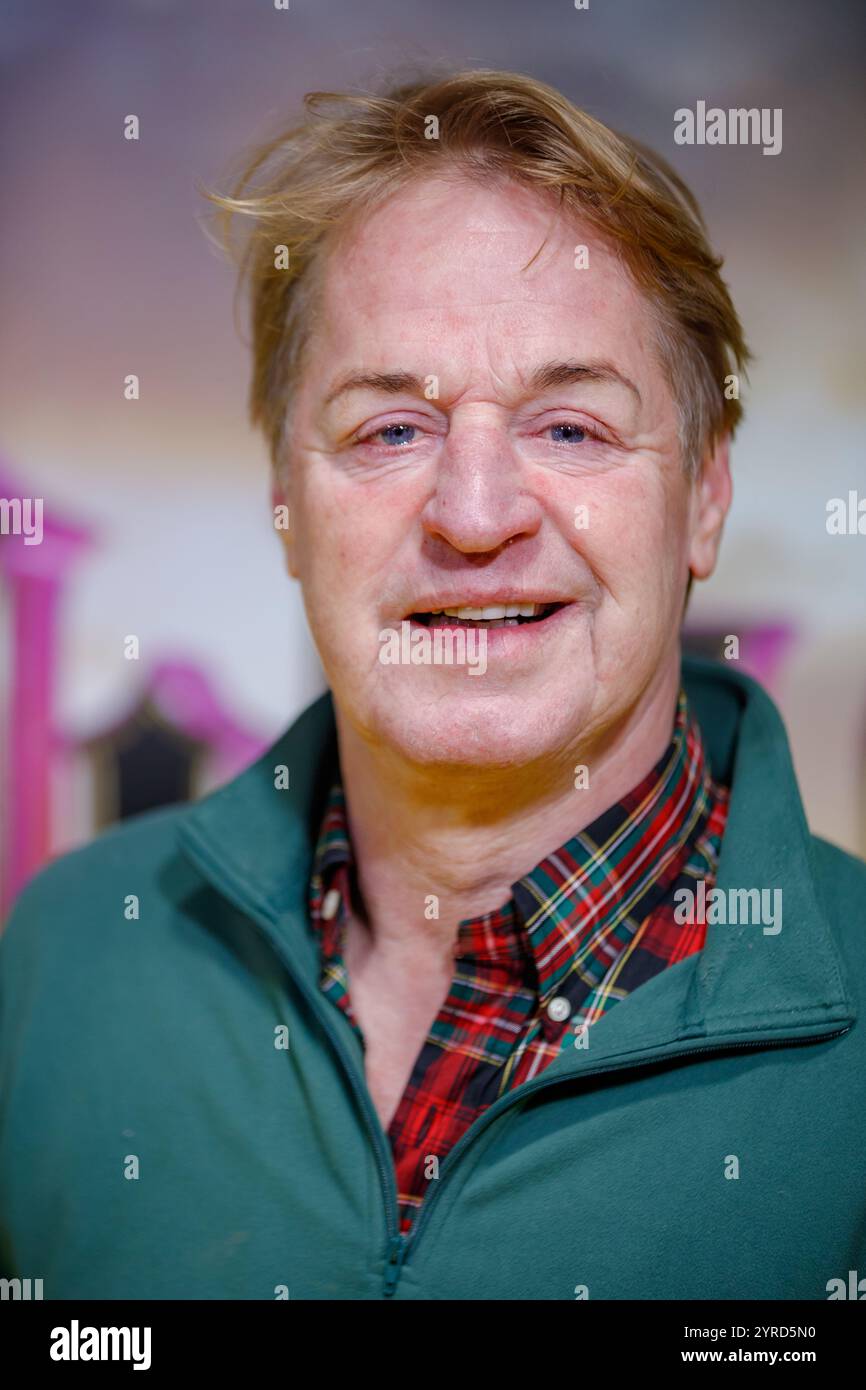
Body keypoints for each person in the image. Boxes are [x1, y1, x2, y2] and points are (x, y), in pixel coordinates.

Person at [1, 69, 864, 1302]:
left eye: (569, 426)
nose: (471, 516)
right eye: (387, 430)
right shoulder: (63, 960)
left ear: (703, 498)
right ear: (288, 506)